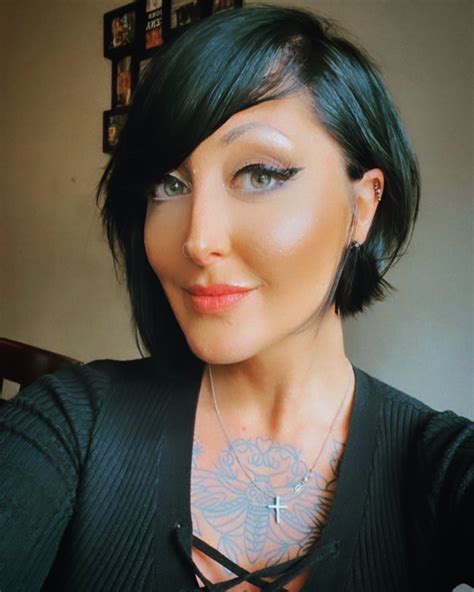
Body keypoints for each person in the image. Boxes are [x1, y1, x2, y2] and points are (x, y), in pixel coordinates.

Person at [0, 4, 472, 591]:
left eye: (259, 174)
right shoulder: (71, 425)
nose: (197, 241)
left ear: (363, 206)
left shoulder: (440, 467)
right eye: (169, 184)